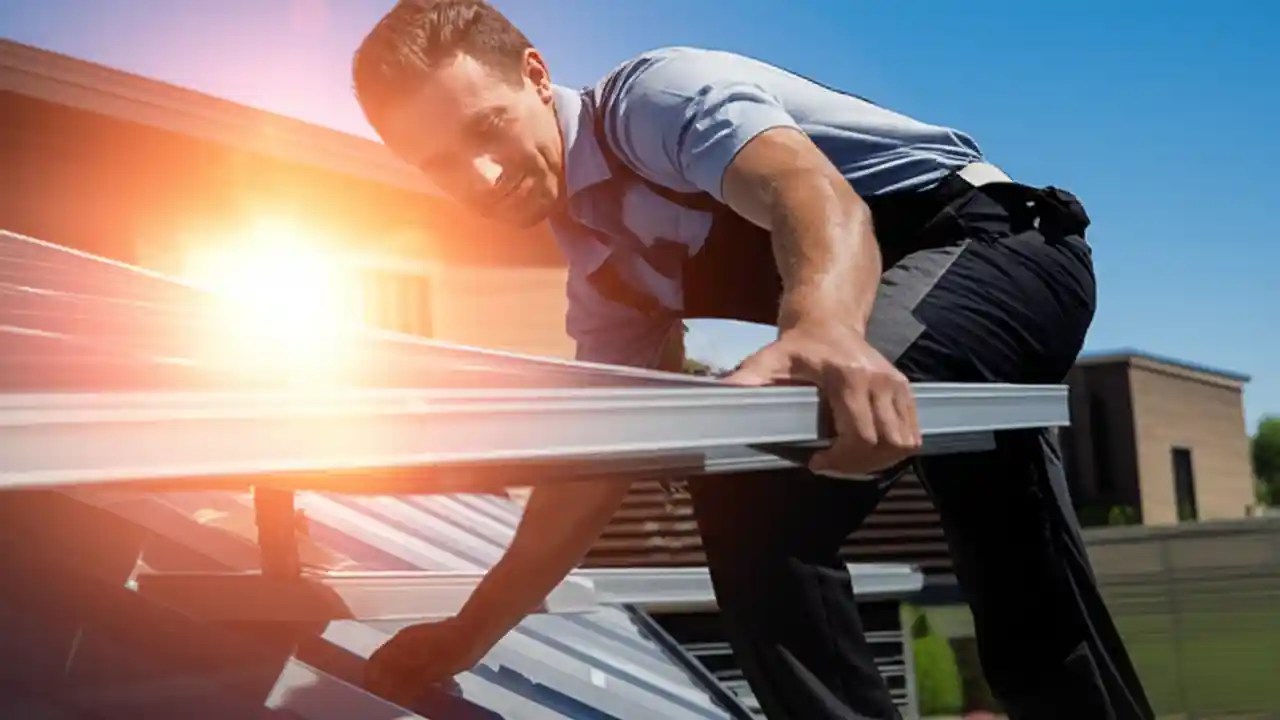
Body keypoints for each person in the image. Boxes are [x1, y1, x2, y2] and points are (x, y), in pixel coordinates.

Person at [350, 1, 1155, 718]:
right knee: (1026, 598)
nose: (480, 177)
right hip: (924, 309)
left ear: (534, 75)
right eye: (439, 165)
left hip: (998, 249)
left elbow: (807, 192)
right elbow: (589, 481)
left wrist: (822, 327)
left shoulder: (651, 102)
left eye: (484, 129)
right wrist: (468, 632)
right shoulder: (604, 269)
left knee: (755, 484)